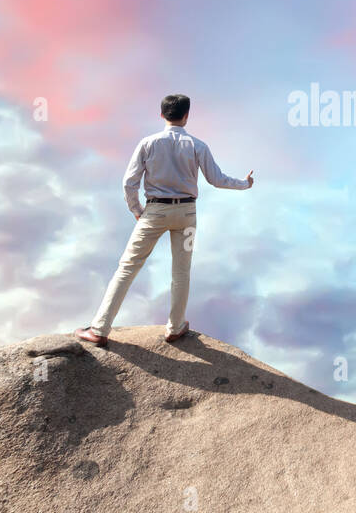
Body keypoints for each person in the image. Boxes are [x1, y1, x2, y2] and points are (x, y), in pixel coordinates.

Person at [76, 94, 253, 346]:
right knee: (182, 271)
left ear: (162, 115)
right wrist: (245, 184)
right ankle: (175, 327)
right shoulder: (198, 146)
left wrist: (136, 209)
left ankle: (99, 329)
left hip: (154, 212)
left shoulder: (148, 143)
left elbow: (129, 183)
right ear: (187, 115)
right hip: (188, 216)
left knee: (127, 268)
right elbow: (217, 179)